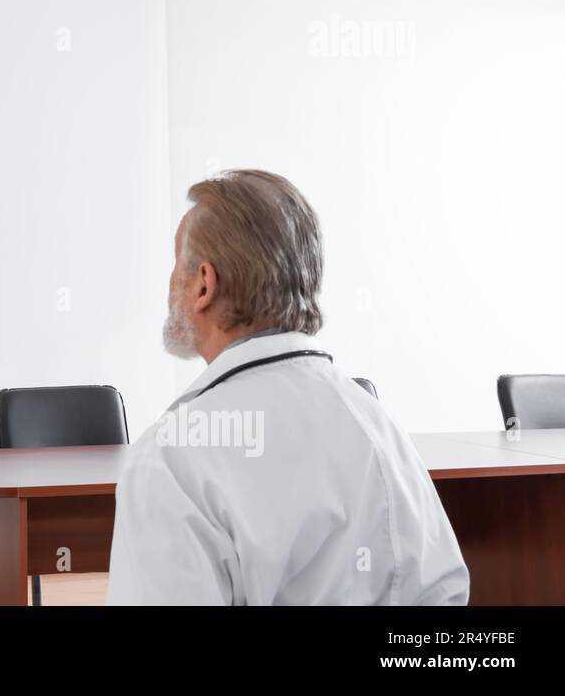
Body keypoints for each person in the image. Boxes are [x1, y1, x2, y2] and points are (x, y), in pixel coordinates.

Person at [107, 169, 468, 605]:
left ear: (204, 283)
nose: (169, 286)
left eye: (175, 267)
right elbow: (443, 592)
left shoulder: (170, 457)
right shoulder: (377, 424)